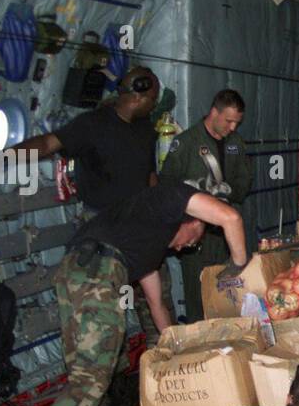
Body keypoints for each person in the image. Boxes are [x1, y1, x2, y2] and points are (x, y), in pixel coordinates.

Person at [5, 178, 250, 406]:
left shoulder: (145, 245)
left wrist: (181, 359)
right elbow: (231, 218)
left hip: (79, 270)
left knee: (90, 377)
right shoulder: (169, 197)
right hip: (98, 271)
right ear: (194, 219)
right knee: (92, 377)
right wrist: (240, 273)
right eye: (195, 239)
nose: (186, 248)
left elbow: (156, 306)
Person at [10, 65, 188, 342]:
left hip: (139, 226)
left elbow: (149, 175)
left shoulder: (145, 130)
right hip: (103, 235)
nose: (153, 105)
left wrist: (161, 215)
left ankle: (166, 358)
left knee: (157, 300)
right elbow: (47, 143)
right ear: (139, 96)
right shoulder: (92, 125)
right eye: (153, 98)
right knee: (102, 310)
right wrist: (1, 158)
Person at [158, 89, 253, 323]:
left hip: (227, 231)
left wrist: (228, 190)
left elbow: (245, 181)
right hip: (196, 234)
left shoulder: (235, 143)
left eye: (237, 123)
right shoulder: (186, 143)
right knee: (198, 295)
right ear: (214, 112)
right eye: (229, 120)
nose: (232, 127)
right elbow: (167, 185)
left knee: (231, 291)